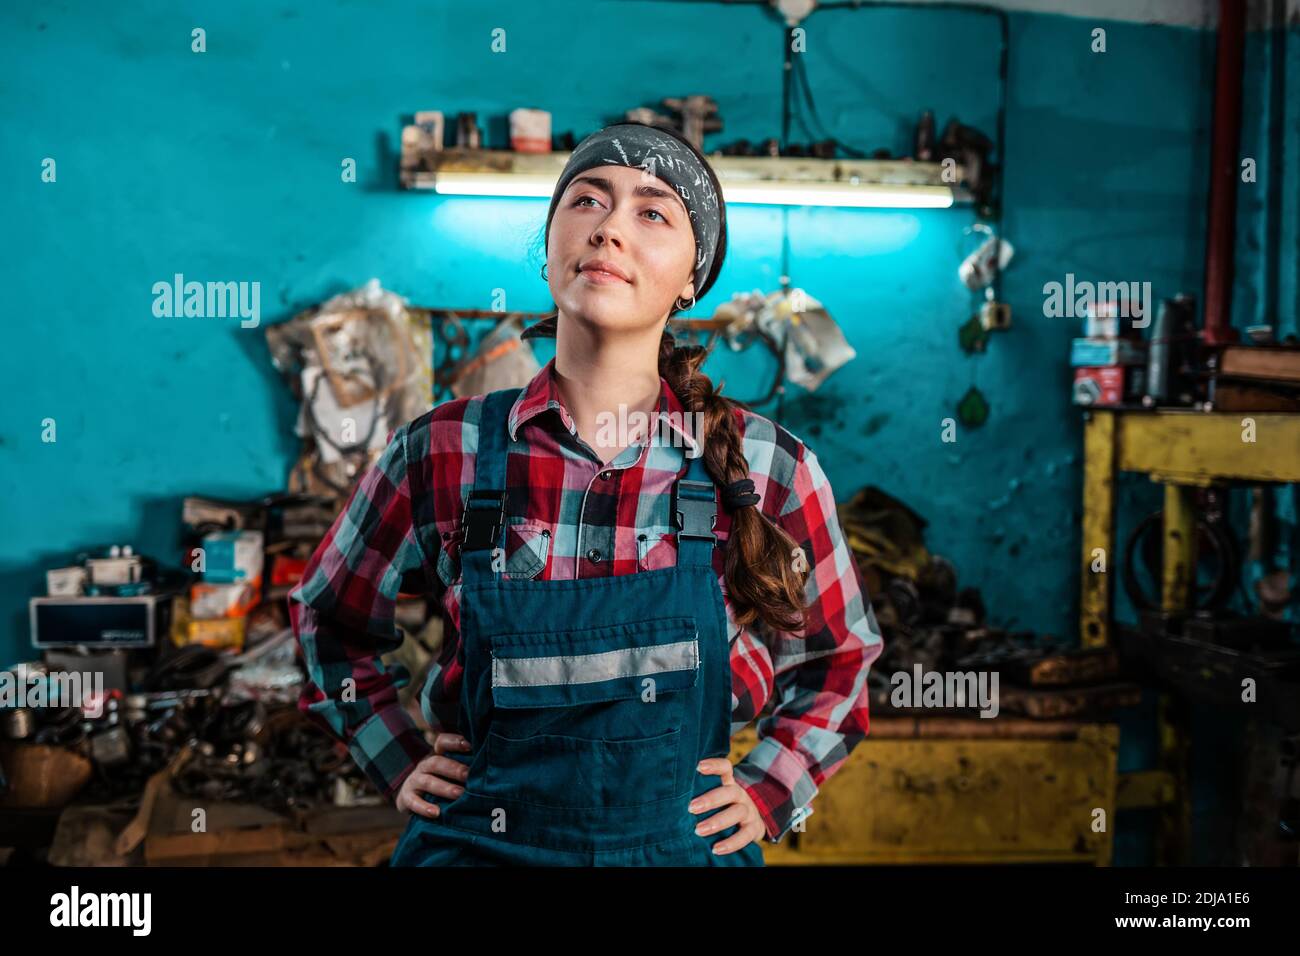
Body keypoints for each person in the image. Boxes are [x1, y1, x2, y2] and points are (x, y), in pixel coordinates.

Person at [288, 121, 884, 866]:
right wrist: (398, 757)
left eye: (652, 212)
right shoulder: (443, 449)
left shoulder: (768, 468)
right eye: (587, 201)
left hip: (679, 848)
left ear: (692, 276)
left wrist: (771, 787)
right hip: (479, 848)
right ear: (548, 251)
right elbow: (327, 619)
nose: (608, 229)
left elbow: (840, 655)